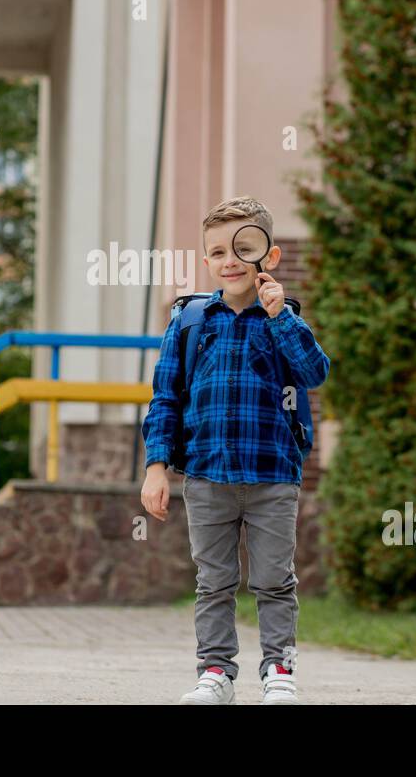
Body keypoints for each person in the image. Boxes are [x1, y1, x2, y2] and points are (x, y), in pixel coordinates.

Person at [140, 196, 330, 704]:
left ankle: (279, 669)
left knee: (274, 580)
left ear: (268, 257)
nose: (229, 260)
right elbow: (165, 398)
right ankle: (216, 671)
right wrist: (156, 467)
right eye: (217, 251)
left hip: (272, 475)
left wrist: (281, 319)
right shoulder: (190, 324)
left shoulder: (284, 319)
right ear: (206, 261)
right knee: (214, 582)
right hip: (206, 475)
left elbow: (315, 373)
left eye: (243, 248)